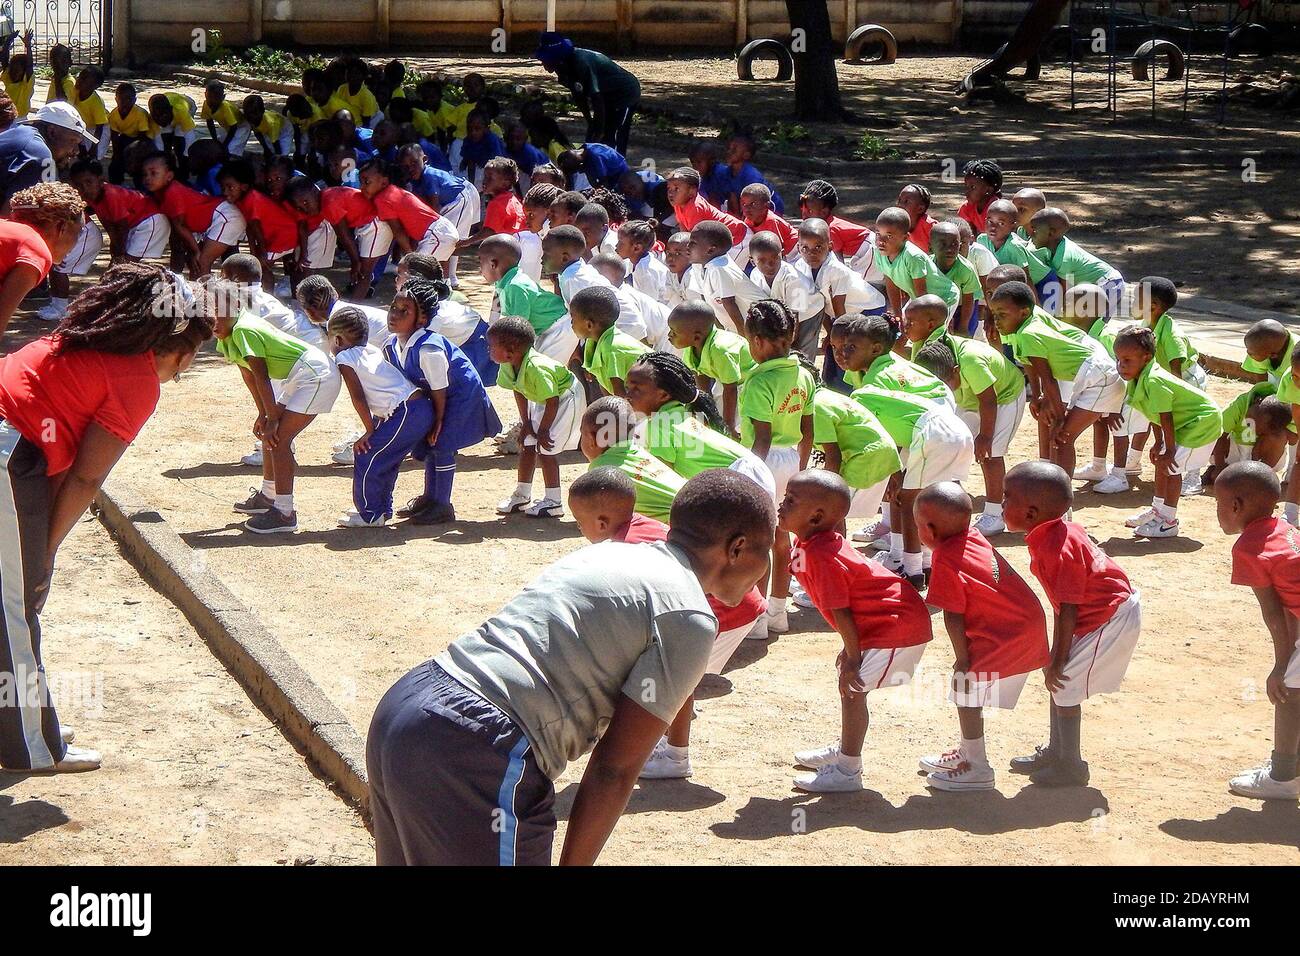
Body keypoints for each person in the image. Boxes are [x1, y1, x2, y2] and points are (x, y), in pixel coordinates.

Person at [367, 468, 771, 865]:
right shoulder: (688, 615)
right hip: (480, 744)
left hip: (410, 704)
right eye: (766, 549)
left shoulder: (610, 553)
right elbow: (614, 768)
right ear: (736, 549)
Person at [0, 263, 213, 773]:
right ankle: (31, 746)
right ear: (175, 346)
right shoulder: (136, 378)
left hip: (14, 448)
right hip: (7, 454)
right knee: (17, 607)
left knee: (12, 603)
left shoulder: (73, 341)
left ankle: (27, 715)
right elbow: (85, 480)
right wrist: (44, 552)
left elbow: (65, 464)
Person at [566, 468, 767, 779]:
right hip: (737, 605)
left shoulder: (624, 550)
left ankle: (675, 755)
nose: (581, 530)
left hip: (726, 608)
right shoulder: (642, 526)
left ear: (601, 524)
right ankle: (670, 725)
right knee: (669, 668)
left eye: (580, 524)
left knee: (670, 667)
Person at [780, 470, 932, 792]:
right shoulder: (807, 542)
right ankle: (845, 751)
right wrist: (851, 649)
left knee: (853, 688)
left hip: (897, 626)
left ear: (817, 517)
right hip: (882, 623)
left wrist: (853, 655)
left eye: (790, 501)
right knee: (849, 688)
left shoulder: (820, 554)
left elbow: (841, 610)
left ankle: (848, 770)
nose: (782, 504)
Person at [1002, 461, 1142, 787]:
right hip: (1096, 613)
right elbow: (1063, 603)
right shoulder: (1050, 533)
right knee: (1058, 679)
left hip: (1110, 617)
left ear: (1031, 513)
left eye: (1008, 498)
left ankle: (1071, 765)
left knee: (1063, 682)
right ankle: (1056, 751)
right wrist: (1055, 654)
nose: (1002, 502)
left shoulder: (1055, 548)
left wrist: (1059, 657)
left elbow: (1068, 608)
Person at [914, 482, 1049, 791]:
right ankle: (967, 752)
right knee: (969, 689)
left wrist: (962, 660)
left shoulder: (945, 558)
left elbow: (953, 614)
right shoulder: (972, 537)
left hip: (1008, 632)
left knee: (965, 687)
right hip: (1025, 623)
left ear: (930, 531)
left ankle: (977, 767)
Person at [208, 278, 341, 534]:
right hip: (299, 377)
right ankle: (268, 498)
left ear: (235, 305)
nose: (212, 318)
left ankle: (284, 512)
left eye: (217, 310)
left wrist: (271, 418)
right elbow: (247, 374)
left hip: (316, 375)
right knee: (270, 437)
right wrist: (263, 413)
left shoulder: (243, 329)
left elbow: (261, 375)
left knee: (278, 438)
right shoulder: (226, 333)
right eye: (206, 311)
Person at [1212, 461, 1300, 799]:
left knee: (1289, 691)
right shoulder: (1284, 529)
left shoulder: (1250, 547)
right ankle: (1290, 768)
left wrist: (1280, 666)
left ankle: (1282, 779)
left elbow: (1274, 613)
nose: (1218, 512)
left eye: (1219, 504)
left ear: (1235, 506)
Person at [381, 278, 501, 524]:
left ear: (422, 319)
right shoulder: (394, 344)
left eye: (405, 311)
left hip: (459, 396)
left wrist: (437, 421)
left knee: (442, 444)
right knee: (431, 446)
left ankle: (443, 504)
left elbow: (439, 388)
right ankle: (430, 497)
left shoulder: (428, 348)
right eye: (394, 307)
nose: (394, 315)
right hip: (440, 396)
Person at [906, 296, 1026, 535]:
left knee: (989, 454)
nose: (905, 326)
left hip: (1004, 397)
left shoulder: (969, 358)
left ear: (931, 324)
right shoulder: (923, 346)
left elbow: (988, 399)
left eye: (911, 321)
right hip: (967, 398)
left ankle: (994, 514)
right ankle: (950, 505)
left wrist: (985, 435)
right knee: (949, 446)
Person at [990, 281, 1125, 486]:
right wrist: (1037, 397)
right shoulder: (1023, 327)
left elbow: (1049, 379)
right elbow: (1030, 364)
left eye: (1002, 314)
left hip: (1099, 377)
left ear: (1024, 312)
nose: (996, 321)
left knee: (1062, 437)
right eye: (994, 314)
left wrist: (1060, 420)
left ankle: (1060, 499)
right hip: (1091, 373)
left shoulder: (1029, 333)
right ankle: (1054, 489)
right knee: (1060, 437)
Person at [852, 383, 974, 590]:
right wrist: (896, 474)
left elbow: (883, 442)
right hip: (956, 430)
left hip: (932, 432)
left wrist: (894, 475)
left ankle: (912, 571)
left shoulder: (856, 404)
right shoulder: (874, 396)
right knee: (928, 501)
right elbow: (895, 435)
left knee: (911, 503)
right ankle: (926, 565)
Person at [741, 300, 816, 634]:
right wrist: (801, 468)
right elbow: (808, 428)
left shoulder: (758, 383)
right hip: (793, 459)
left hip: (764, 462)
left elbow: (762, 438)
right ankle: (778, 613)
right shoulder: (804, 374)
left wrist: (750, 476)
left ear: (756, 342)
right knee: (782, 539)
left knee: (759, 541)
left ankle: (756, 620)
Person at [327, 305, 431, 528]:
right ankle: (381, 509)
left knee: (367, 454)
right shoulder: (372, 350)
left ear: (337, 340)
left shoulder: (344, 357)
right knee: (386, 459)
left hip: (406, 411)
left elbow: (358, 397)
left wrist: (368, 430)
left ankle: (370, 513)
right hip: (416, 409)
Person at [1114, 326, 1221, 539]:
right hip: (1183, 424)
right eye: (1118, 359)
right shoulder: (1139, 378)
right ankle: (1158, 510)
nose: (1121, 365)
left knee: (1171, 468)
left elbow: (1166, 416)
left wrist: (1169, 449)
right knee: (1161, 463)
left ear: (1146, 358)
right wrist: (1159, 443)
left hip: (1201, 422)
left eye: (1127, 360)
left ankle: (1169, 521)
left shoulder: (1154, 380)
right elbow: (1155, 414)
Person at [624, 350, 775, 498]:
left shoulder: (659, 424)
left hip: (738, 483)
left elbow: (664, 481)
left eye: (636, 389)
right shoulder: (683, 411)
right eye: (627, 388)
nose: (628, 395)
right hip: (757, 474)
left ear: (664, 395)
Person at [489, 316, 586, 519]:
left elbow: (552, 401)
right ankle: (522, 495)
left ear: (511, 349)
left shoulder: (537, 368)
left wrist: (543, 429)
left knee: (546, 448)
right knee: (527, 442)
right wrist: (525, 423)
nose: (489, 349)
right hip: (543, 398)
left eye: (492, 346)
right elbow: (519, 390)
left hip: (565, 398)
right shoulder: (509, 363)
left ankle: (553, 501)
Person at [139, 150, 245, 280]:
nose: (148, 178)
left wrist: (196, 251)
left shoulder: (172, 193)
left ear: (169, 176)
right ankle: (197, 294)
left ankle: (203, 298)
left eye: (154, 173)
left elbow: (180, 225)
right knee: (196, 263)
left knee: (202, 261)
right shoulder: (162, 193)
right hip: (217, 219)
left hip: (225, 217)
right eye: (145, 174)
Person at [579, 396, 684, 522]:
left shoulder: (601, 468)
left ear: (591, 439)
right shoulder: (640, 451)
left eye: (582, 434)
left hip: (684, 527)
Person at [534, 32, 641, 154]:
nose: (543, 64)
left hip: (625, 93)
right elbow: (578, 95)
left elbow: (596, 98)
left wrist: (599, 132)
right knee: (593, 136)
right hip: (606, 96)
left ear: (556, 58)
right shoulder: (562, 70)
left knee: (614, 133)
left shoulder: (581, 63)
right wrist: (590, 121)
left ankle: (617, 166)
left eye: (545, 60)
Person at [0, 182, 84, 336]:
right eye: (78, 233)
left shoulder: (8, 230)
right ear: (62, 227)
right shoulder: (35, 251)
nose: (76, 244)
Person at [668, 301, 754, 435]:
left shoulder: (721, 350)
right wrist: (706, 410)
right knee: (712, 421)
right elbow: (701, 378)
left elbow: (731, 389)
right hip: (726, 382)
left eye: (674, 332)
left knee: (737, 429)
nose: (669, 335)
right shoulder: (691, 347)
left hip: (749, 384)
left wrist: (728, 426)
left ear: (696, 337)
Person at [1028, 207, 1125, 316]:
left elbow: (1067, 292)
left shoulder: (1064, 258)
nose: (1030, 233)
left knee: (1093, 321)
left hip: (1108, 284)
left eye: (1034, 229)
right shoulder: (1055, 247)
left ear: (1051, 233)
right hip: (1101, 284)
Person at [0, 101, 95, 211]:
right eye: (73, 141)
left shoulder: (18, 132)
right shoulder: (39, 154)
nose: (76, 151)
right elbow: (13, 215)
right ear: (52, 132)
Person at [572, 284, 649, 397]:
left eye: (573, 318)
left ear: (589, 325)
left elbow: (620, 396)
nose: (571, 323)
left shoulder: (612, 349)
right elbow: (605, 384)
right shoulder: (594, 342)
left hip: (662, 408)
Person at [691, 220, 766, 334]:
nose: (688, 246)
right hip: (749, 327)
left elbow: (729, 303)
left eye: (693, 243)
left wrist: (742, 336)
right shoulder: (707, 266)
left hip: (762, 325)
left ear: (711, 249)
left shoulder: (719, 268)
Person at [957, 159, 1002, 237]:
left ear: (988, 190)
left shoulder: (997, 210)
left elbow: (999, 238)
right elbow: (969, 236)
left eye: (973, 187)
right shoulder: (967, 208)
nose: (967, 192)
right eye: (966, 186)